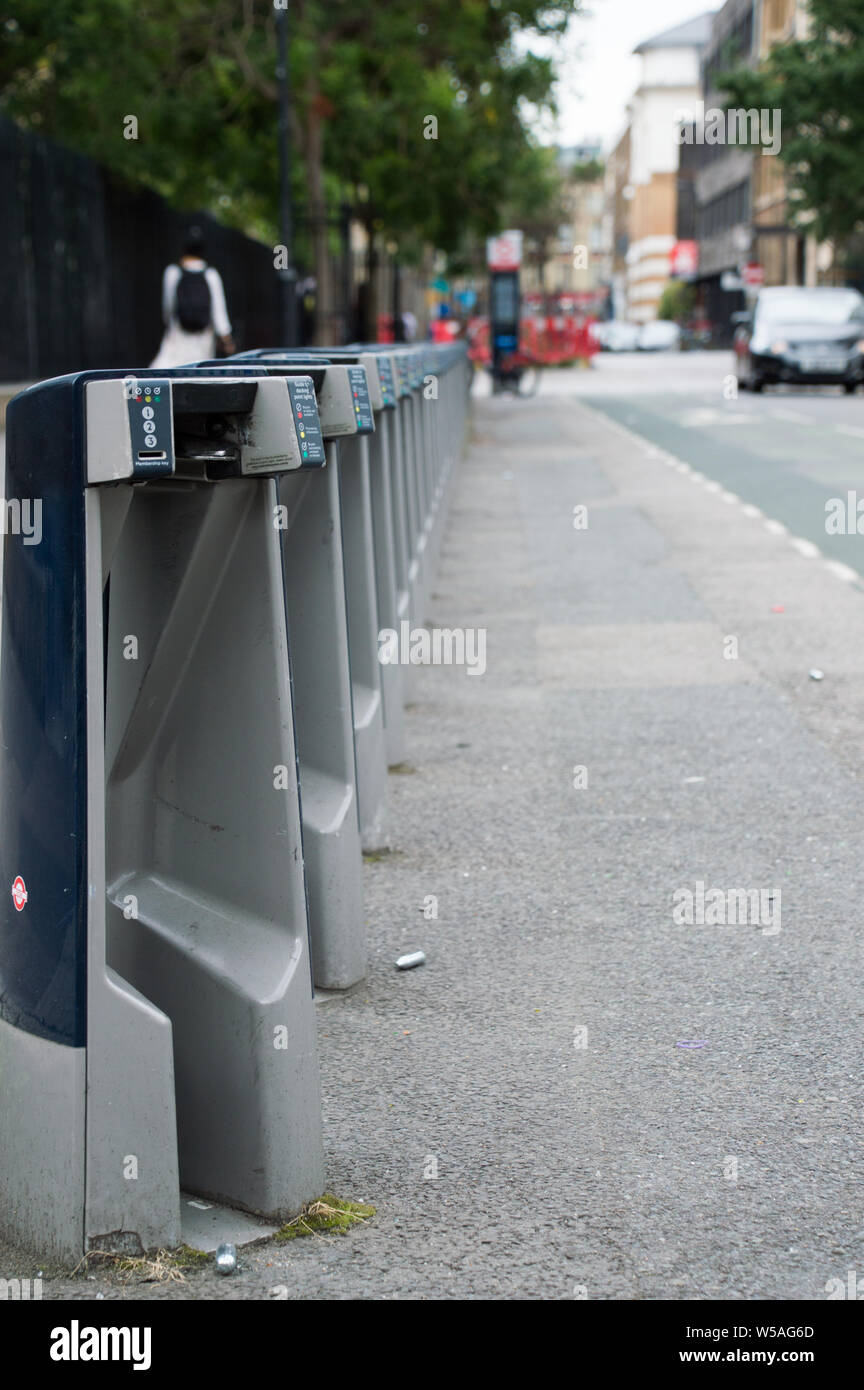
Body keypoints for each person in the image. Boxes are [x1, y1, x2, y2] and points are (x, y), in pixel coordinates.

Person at [150, 226, 235, 367]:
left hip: (177, 338)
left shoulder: (173, 272)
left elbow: (168, 308)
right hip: (203, 340)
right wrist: (226, 339)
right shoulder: (210, 274)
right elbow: (219, 312)